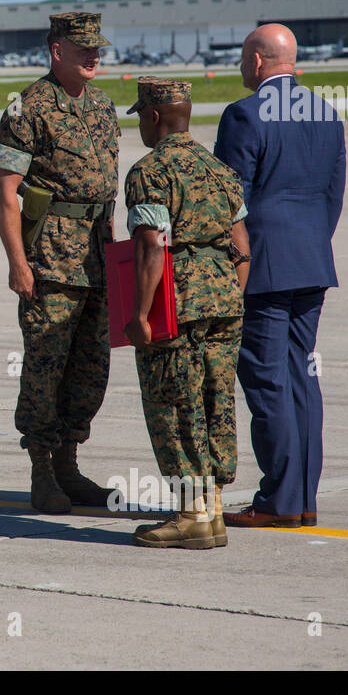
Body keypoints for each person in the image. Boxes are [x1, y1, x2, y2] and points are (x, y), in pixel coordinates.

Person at [213, 23, 346, 528]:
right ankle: (304, 497)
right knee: (302, 378)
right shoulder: (327, 114)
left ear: (257, 61)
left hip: (264, 266)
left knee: (267, 380)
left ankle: (279, 500)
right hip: (311, 262)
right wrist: (310, 245)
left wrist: (236, 264)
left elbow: (228, 202)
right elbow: (332, 196)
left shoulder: (243, 115)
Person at [0, 12, 120, 514]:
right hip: (50, 259)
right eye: (83, 48)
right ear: (56, 49)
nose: (94, 56)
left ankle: (69, 462)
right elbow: (5, 193)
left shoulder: (105, 106)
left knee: (91, 368)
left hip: (100, 257)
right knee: (45, 365)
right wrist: (17, 261)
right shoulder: (28, 107)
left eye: (97, 49)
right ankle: (42, 469)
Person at [122, 77, 250, 548]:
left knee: (176, 405)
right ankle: (212, 508)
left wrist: (139, 314)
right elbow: (243, 248)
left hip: (177, 304)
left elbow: (153, 246)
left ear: (154, 116)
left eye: (140, 115)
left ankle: (191, 513)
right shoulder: (220, 169)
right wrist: (230, 298)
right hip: (224, 302)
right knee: (218, 402)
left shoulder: (148, 172)